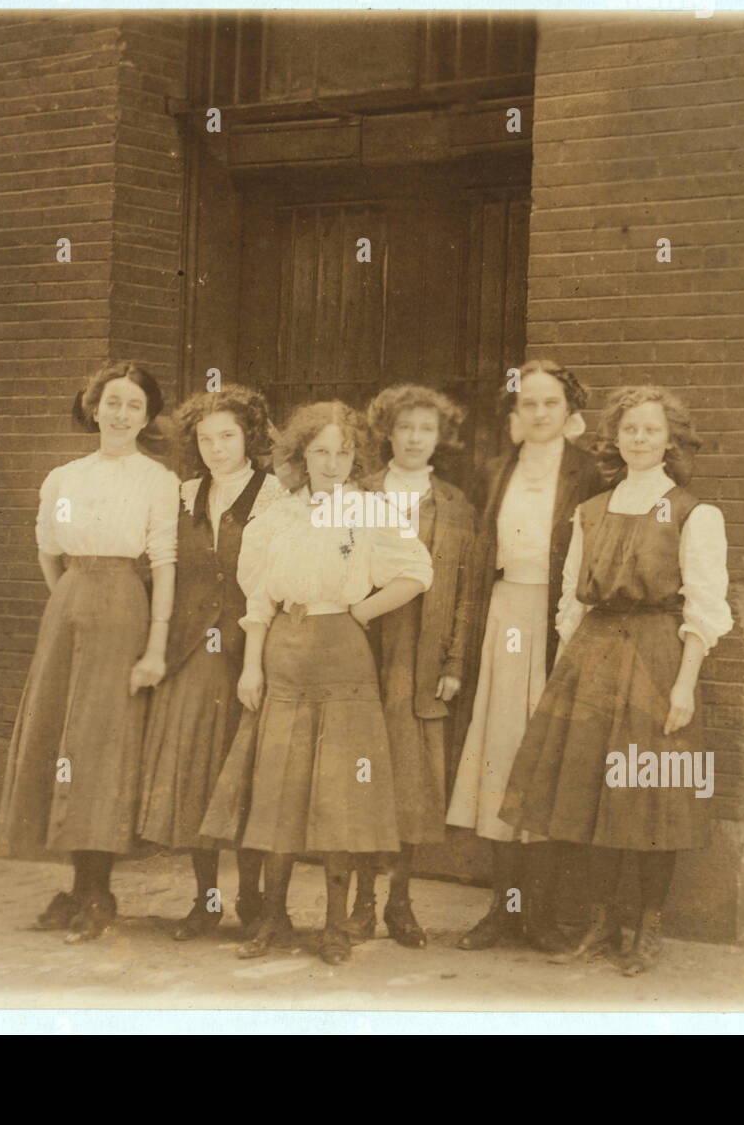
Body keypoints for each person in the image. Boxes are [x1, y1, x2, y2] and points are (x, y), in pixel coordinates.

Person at [499, 385, 732, 974]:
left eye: (652, 430)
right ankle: (603, 922)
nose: (640, 439)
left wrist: (684, 686)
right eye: (629, 429)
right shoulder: (591, 511)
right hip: (592, 658)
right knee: (592, 793)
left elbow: (706, 606)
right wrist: (561, 673)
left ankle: (645, 929)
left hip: (657, 658)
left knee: (653, 799)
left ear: (671, 439)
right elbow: (571, 601)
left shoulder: (694, 513)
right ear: (615, 438)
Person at [199, 400, 433, 966]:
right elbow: (257, 598)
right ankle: (274, 919)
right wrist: (252, 666)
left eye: (344, 451)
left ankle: (335, 926)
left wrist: (362, 612)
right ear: (302, 455)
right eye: (321, 451)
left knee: (340, 794)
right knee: (277, 787)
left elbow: (417, 572)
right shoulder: (278, 514)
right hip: (283, 654)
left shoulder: (370, 510)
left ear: (357, 456)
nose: (333, 462)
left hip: (343, 657)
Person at [0, 362, 179, 943]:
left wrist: (154, 646)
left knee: (102, 746)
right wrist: (72, 602)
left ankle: (98, 892)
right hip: (69, 609)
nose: (121, 414)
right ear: (93, 407)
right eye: (113, 402)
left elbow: (166, 565)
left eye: (134, 406)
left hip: (126, 609)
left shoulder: (158, 480)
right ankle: (77, 889)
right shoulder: (62, 477)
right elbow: (48, 549)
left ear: (147, 418)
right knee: (62, 740)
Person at [446, 359, 606, 953]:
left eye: (550, 403)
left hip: (560, 622)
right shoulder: (494, 471)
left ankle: (542, 913)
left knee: (548, 758)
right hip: (504, 617)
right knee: (502, 754)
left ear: (570, 413)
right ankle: (502, 909)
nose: (539, 414)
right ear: (514, 415)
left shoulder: (592, 474)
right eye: (528, 405)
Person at [136, 384, 284, 941]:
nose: (216, 448)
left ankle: (252, 899)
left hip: (249, 653)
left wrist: (260, 659)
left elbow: (275, 580)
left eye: (228, 436)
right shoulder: (183, 494)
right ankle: (206, 901)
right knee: (199, 777)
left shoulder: (275, 495)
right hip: (194, 656)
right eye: (205, 438)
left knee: (243, 777)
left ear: (249, 436)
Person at [339, 384, 477, 949]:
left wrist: (454, 660)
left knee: (411, 785)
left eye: (427, 428)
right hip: (361, 646)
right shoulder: (357, 493)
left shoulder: (456, 504)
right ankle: (358, 904)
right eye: (405, 428)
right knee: (361, 775)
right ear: (388, 434)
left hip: (421, 660)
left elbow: (466, 591)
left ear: (439, 437)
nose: (416, 438)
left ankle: (399, 903)